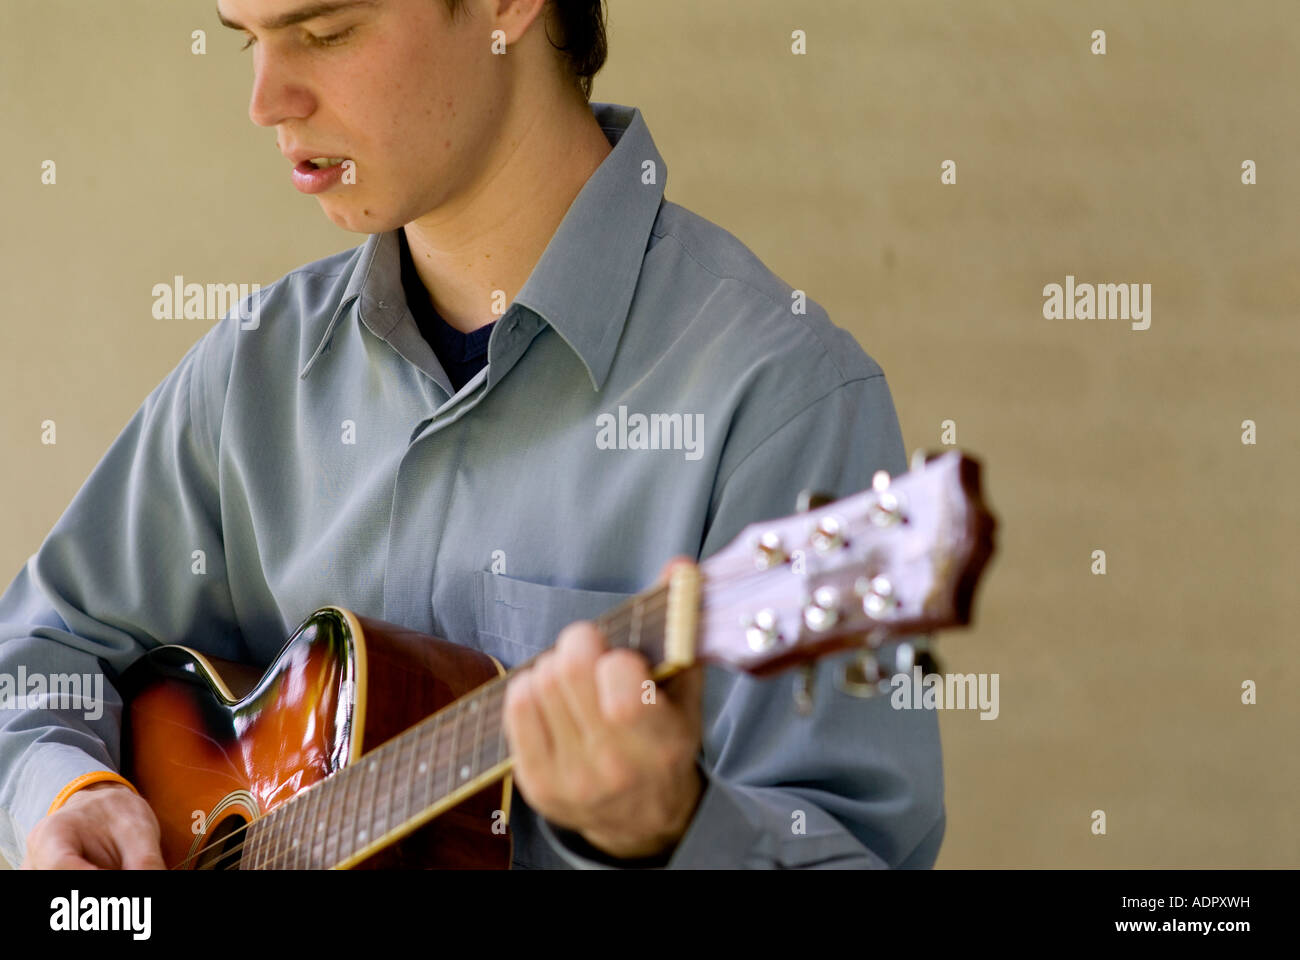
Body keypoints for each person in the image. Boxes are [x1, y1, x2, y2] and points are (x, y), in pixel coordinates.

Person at [0, 0, 944, 869]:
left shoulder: (783, 397)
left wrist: (671, 831)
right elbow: (36, 653)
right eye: (249, 38)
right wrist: (69, 793)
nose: (264, 100)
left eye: (325, 30)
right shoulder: (249, 371)